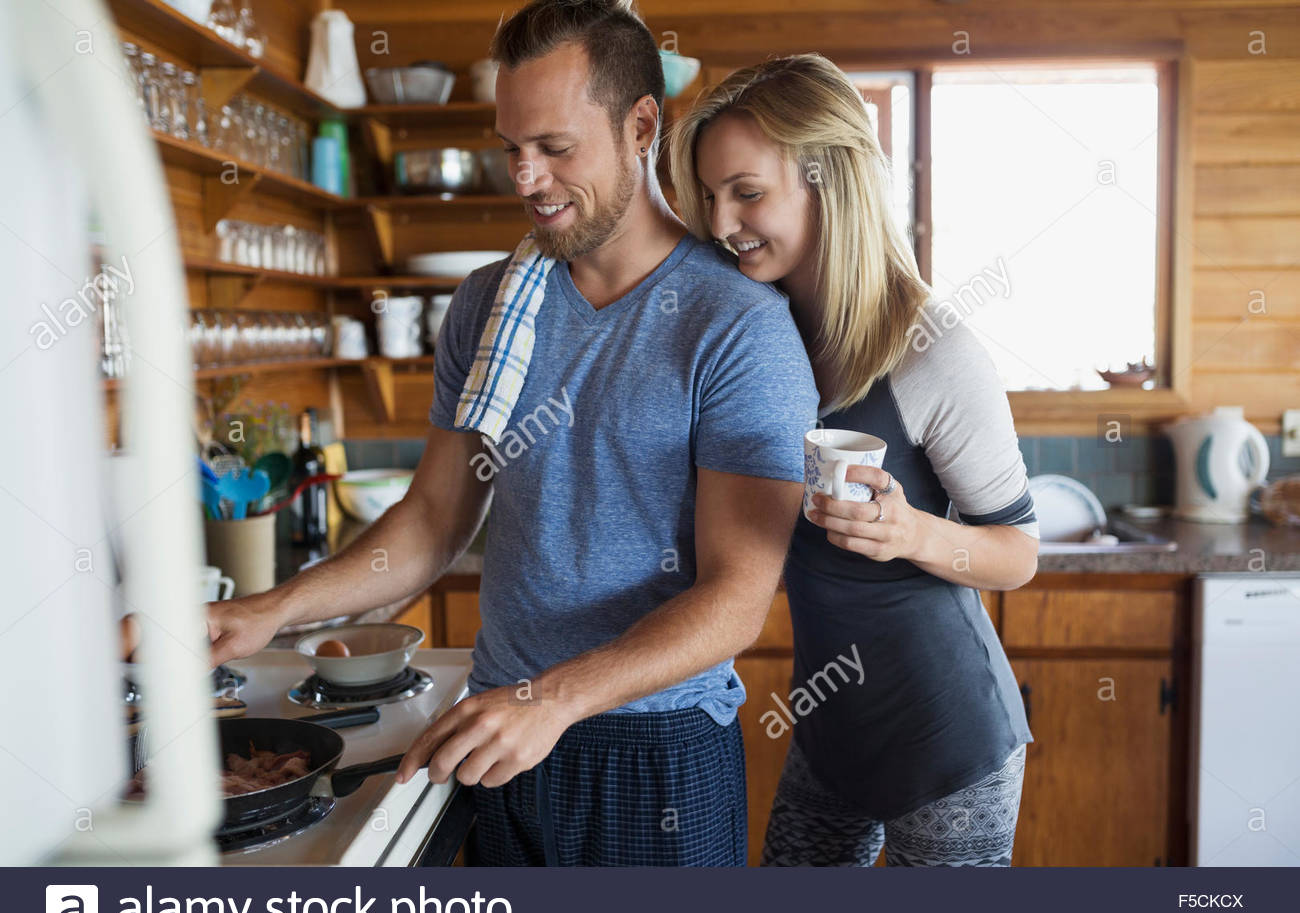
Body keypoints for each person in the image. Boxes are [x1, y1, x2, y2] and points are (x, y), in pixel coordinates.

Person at [206, 0, 818, 866]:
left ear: (642, 125)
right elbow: (430, 525)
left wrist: (555, 700)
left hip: (655, 753)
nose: (525, 178)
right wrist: (268, 612)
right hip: (503, 738)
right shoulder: (489, 305)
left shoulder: (737, 324)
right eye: (511, 148)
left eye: (555, 148)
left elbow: (735, 600)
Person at [670, 54, 1040, 867]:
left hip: (948, 745)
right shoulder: (763, 341)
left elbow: (1018, 553)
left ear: (827, 180)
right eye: (710, 196)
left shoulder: (931, 354)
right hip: (831, 729)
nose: (723, 221)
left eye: (748, 191)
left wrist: (910, 533)